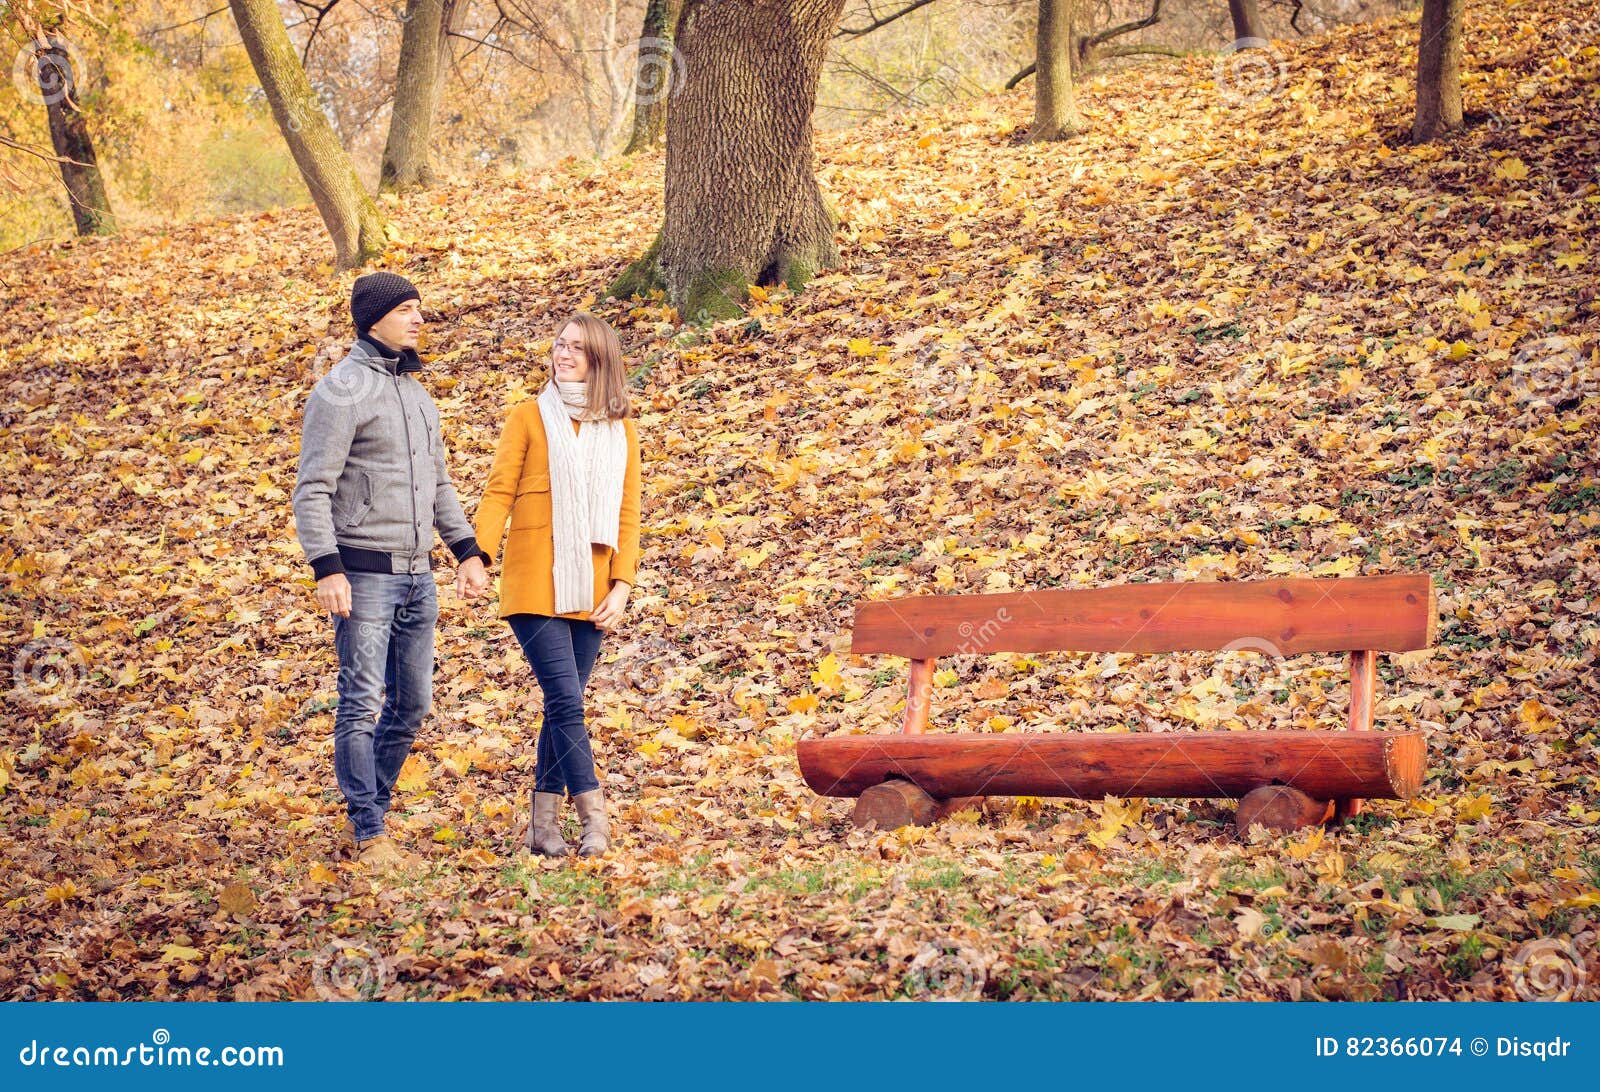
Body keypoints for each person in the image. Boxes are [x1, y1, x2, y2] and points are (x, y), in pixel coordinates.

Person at [292, 271, 491, 870]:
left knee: (413, 704)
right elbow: (312, 490)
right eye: (408, 309)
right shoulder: (341, 391)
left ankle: (369, 807)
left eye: (420, 310)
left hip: (418, 576)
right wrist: (328, 568)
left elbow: (439, 484)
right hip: (364, 575)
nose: (419, 320)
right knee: (358, 703)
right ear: (374, 317)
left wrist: (466, 550)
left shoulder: (417, 394)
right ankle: (369, 829)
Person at [474, 312, 641, 858]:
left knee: (560, 704)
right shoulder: (528, 417)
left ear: (599, 360)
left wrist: (622, 585)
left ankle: (543, 826)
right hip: (532, 581)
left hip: (592, 585)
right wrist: (475, 555)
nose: (563, 354)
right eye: (559, 344)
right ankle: (595, 819)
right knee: (567, 700)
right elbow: (499, 492)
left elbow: (628, 514)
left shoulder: (620, 430)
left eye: (576, 348)